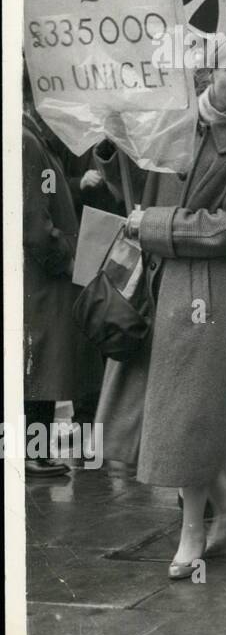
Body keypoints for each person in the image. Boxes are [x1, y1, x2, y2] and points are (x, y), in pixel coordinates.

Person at [94, 42, 226, 580]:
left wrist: (153, 226)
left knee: (185, 410)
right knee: (177, 411)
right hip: (156, 284)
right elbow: (131, 193)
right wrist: (111, 149)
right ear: (206, 73)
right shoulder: (171, 125)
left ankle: (192, 531)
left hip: (208, 293)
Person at [22, 74, 102, 477]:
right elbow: (35, 223)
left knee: (43, 362)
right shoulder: (28, 141)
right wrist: (65, 258)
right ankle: (34, 452)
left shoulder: (34, 139)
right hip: (42, 274)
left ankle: (36, 450)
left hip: (43, 273)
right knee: (39, 363)